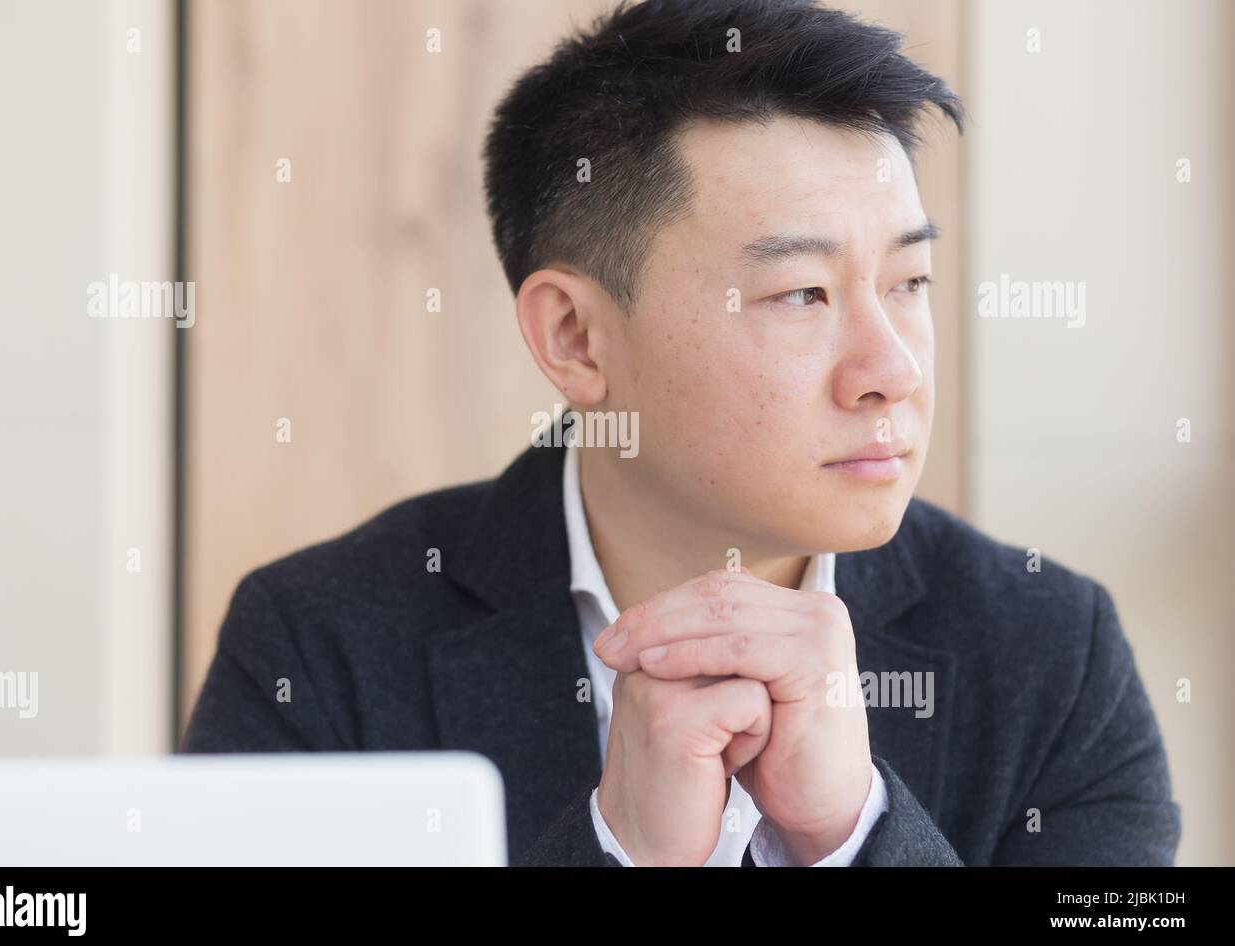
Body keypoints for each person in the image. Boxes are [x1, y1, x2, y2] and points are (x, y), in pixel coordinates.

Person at [181, 0, 1181, 867]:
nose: (892, 369)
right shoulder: (322, 643)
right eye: (802, 292)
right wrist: (616, 848)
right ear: (575, 335)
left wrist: (851, 831)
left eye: (907, 282)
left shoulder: (1049, 648)